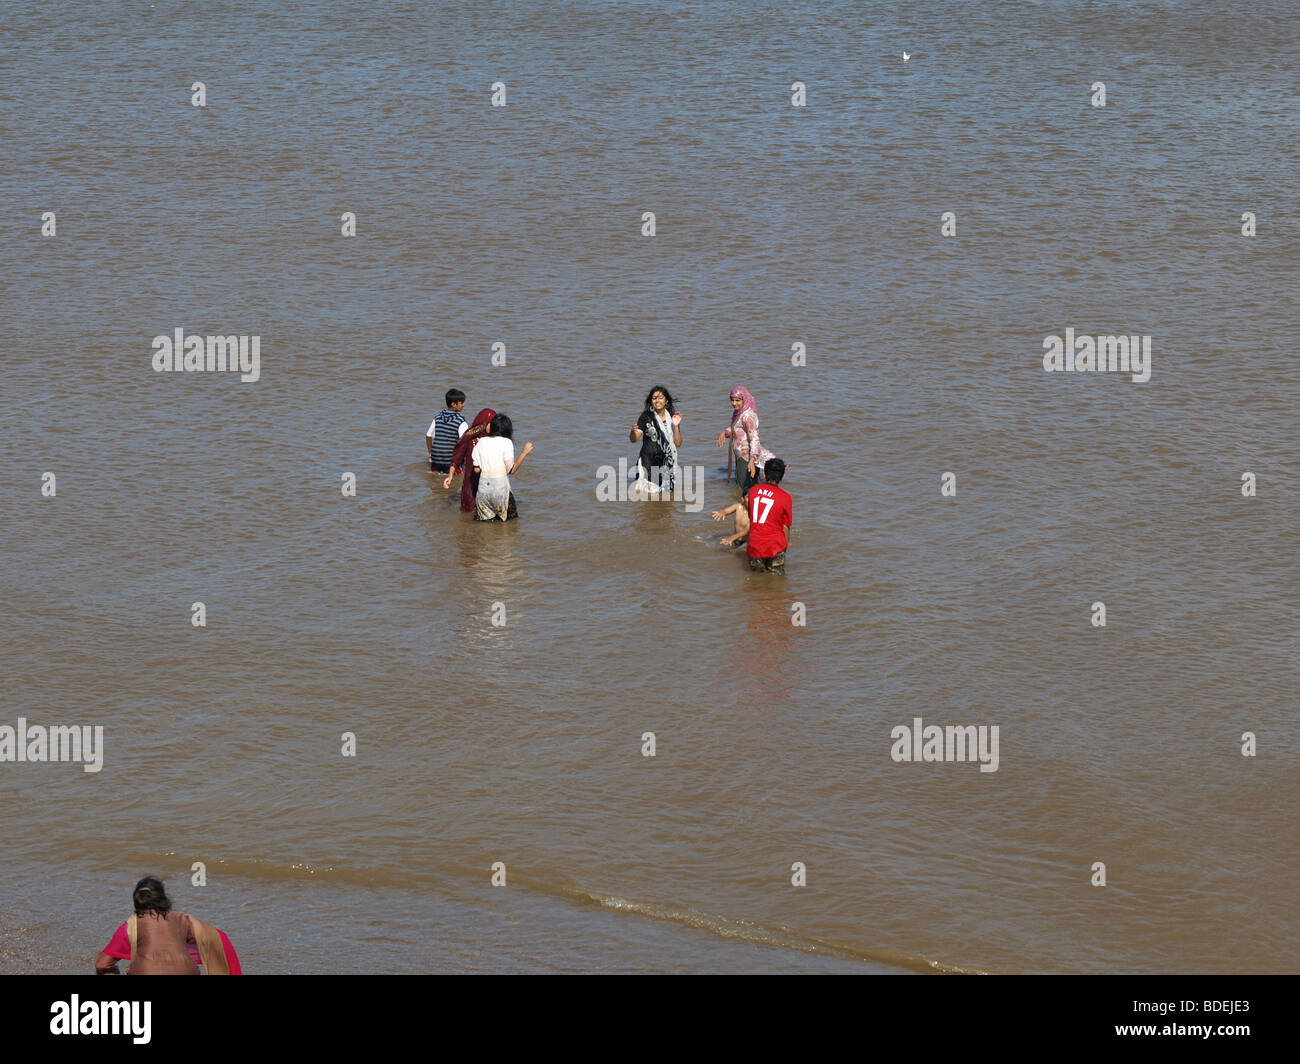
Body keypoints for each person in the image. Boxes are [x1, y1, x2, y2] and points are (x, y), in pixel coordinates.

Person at [94, 876, 242, 975]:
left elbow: (102, 964)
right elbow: (216, 938)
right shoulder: (183, 920)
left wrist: (113, 970)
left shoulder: (129, 927)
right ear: (163, 897)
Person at [711, 458, 792, 571]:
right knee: (776, 581)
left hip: (755, 546)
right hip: (775, 546)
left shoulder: (753, 492)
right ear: (783, 477)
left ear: (764, 474)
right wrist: (785, 547)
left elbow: (754, 520)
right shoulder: (785, 497)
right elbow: (785, 527)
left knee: (756, 578)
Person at [471, 413, 533, 521]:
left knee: (485, 525)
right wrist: (524, 452)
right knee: (508, 525)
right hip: (500, 489)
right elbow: (511, 470)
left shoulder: (480, 442)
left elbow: (476, 470)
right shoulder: (506, 442)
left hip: (483, 489)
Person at [715, 386, 774, 496]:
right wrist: (724, 433)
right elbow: (736, 428)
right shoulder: (739, 413)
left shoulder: (748, 417)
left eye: (737, 400)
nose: (734, 403)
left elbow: (755, 438)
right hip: (740, 455)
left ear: (744, 399)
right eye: (732, 400)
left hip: (746, 456)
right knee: (746, 486)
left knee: (744, 489)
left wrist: (752, 460)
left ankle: (746, 510)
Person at [443, 407, 498, 513]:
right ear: (484, 423)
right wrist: (450, 477)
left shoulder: (496, 439)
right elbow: (456, 458)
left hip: (490, 483)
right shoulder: (469, 438)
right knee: (468, 515)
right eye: (492, 423)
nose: (495, 426)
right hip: (471, 483)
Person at [629, 385, 683, 492]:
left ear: (666, 401)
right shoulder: (646, 417)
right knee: (647, 501)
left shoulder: (671, 417)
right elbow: (634, 439)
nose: (657, 401)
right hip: (648, 463)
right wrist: (632, 431)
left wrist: (676, 426)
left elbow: (678, 443)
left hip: (666, 465)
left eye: (660, 398)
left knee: (665, 501)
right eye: (654, 398)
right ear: (651, 401)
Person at [426, 388, 467, 472]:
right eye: (461, 403)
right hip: (451, 464)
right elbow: (465, 441)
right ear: (453, 404)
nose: (464, 405)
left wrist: (430, 454)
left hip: (436, 461)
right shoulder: (461, 420)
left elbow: (428, 435)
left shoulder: (438, 417)